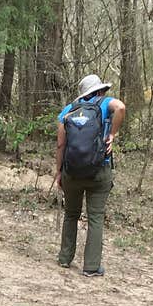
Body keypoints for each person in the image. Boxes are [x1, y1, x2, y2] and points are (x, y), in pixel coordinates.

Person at [52, 74, 126, 277]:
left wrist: (59, 172)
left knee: (71, 215)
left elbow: (61, 144)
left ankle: (65, 258)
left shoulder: (68, 111)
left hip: (72, 172)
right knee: (95, 217)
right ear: (100, 90)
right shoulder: (105, 104)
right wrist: (113, 134)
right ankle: (91, 267)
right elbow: (120, 107)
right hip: (99, 170)